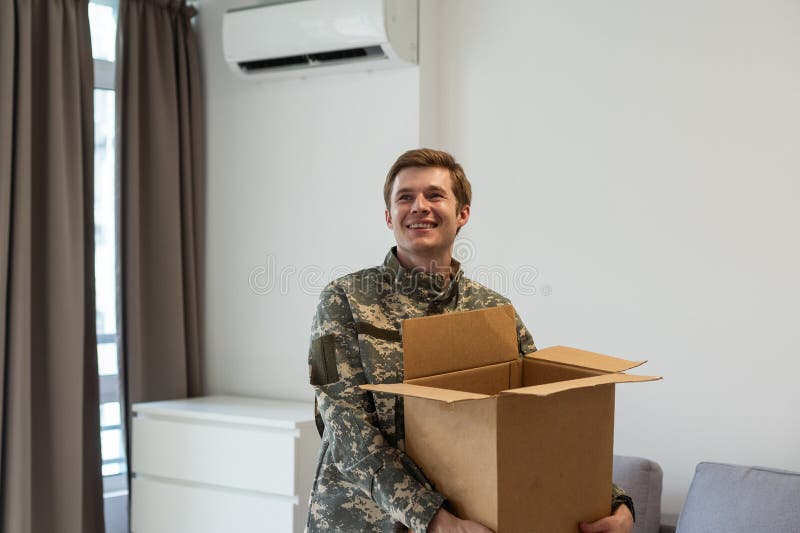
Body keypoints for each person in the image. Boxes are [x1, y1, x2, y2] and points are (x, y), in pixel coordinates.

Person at [306, 149, 634, 532]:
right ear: (388, 216)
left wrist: (613, 501)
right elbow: (346, 429)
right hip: (367, 522)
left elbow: (544, 415)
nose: (419, 207)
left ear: (463, 213)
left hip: (474, 518)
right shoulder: (344, 300)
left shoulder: (492, 311)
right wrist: (435, 521)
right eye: (405, 197)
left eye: (435, 195)